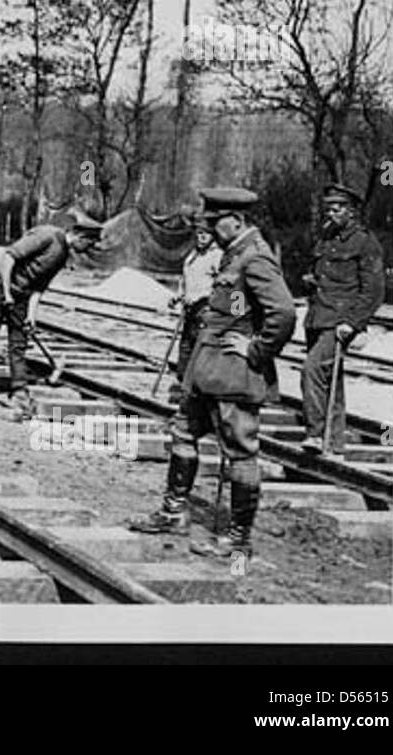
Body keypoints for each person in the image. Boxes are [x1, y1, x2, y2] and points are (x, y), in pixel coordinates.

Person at [129, 187, 296, 565]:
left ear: (235, 220)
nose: (210, 230)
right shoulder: (233, 255)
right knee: (183, 433)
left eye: (215, 223)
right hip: (207, 371)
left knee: (239, 453)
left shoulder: (255, 258)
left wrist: (255, 349)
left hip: (235, 375)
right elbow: (239, 307)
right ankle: (174, 512)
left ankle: (237, 541)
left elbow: (283, 314)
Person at [0, 212, 103, 415]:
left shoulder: (63, 256)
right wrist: (8, 293)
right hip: (1, 283)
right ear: (81, 236)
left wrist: (31, 316)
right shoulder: (47, 236)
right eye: (88, 245)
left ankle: (19, 391)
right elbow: (8, 258)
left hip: (22, 294)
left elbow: (38, 288)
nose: (87, 250)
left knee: (18, 343)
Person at [299, 183, 385, 454]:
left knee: (312, 370)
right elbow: (323, 274)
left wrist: (352, 322)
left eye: (338, 208)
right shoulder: (326, 236)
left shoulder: (364, 242)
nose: (332, 213)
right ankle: (334, 443)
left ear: (352, 211)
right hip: (318, 316)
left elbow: (374, 290)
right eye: (329, 208)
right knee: (329, 379)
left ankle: (314, 435)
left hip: (339, 321)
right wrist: (310, 281)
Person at [171, 214, 223, 381]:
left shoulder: (217, 256)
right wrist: (178, 296)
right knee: (185, 350)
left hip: (206, 311)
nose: (201, 237)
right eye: (199, 233)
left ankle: (195, 391)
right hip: (189, 312)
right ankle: (183, 385)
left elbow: (222, 286)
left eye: (205, 234)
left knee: (201, 352)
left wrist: (200, 296)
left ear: (212, 236)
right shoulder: (192, 257)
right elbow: (184, 279)